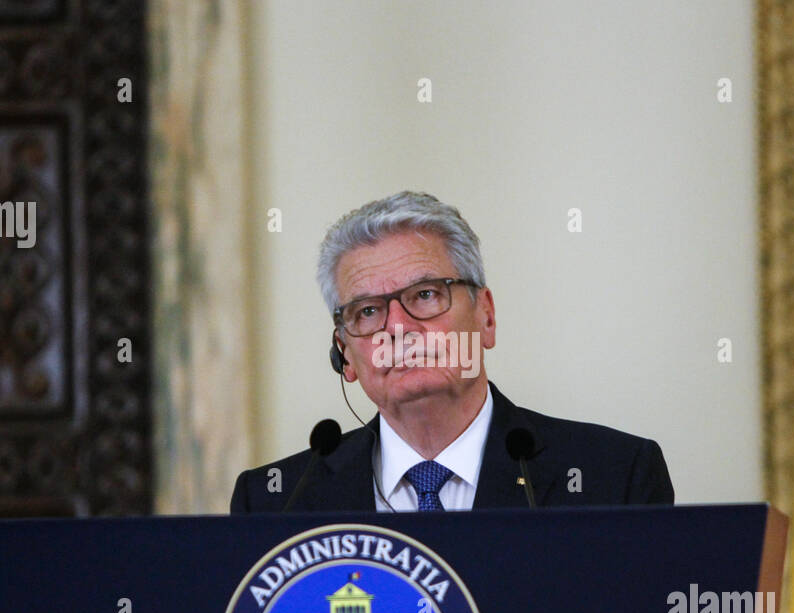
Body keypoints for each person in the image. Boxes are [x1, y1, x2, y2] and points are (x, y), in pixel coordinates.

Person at [230, 191, 674, 513]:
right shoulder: (276, 501)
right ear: (344, 354)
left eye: (425, 295)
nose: (399, 329)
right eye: (367, 311)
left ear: (486, 316)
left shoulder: (615, 477)